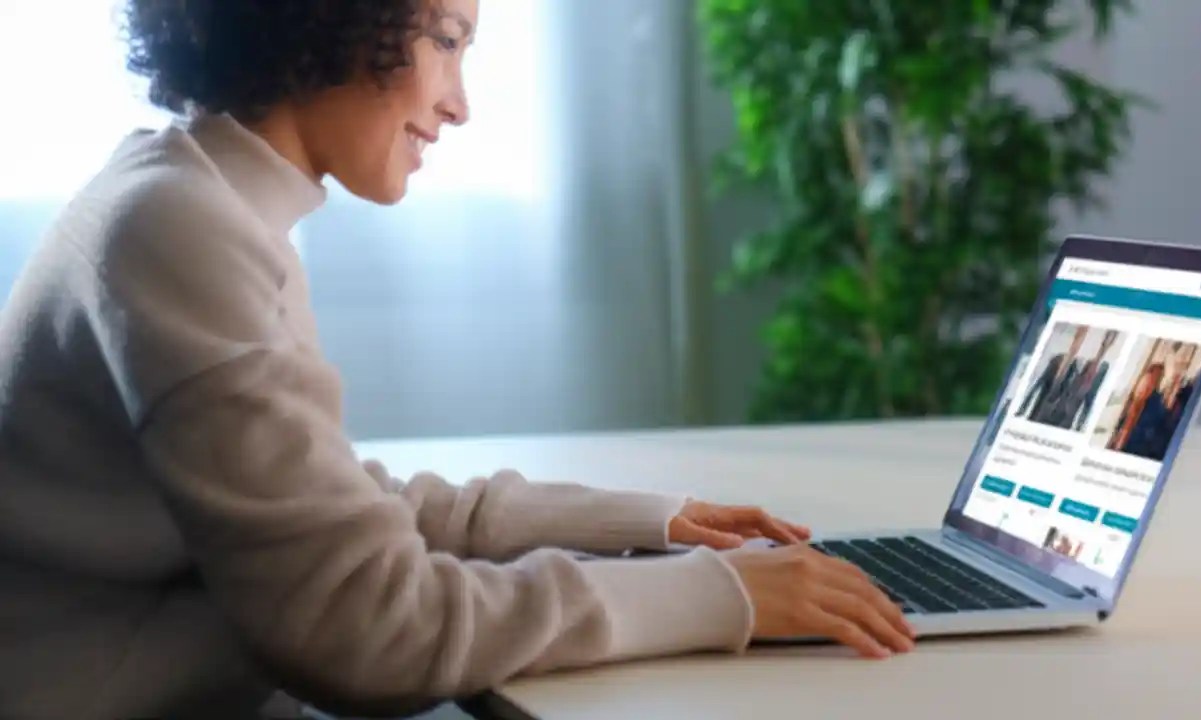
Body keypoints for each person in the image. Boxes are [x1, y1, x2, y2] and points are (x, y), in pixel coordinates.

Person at [0, 2, 913, 718]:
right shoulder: (183, 231)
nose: (460, 102)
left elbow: (341, 515)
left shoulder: (189, 196)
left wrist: (654, 524)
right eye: (446, 39)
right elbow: (363, 633)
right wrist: (717, 598)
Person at [1016, 324, 1087, 428]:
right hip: (1044, 411)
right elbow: (1039, 384)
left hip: (1054, 415)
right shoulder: (1059, 361)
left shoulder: (1074, 367)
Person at [1068, 329, 1120, 431]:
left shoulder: (1106, 366)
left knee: (1082, 419)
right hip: (1080, 391)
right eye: (1108, 337)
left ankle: (1078, 428)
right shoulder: (1089, 360)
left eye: (1111, 338)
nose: (1108, 341)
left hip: (1090, 395)